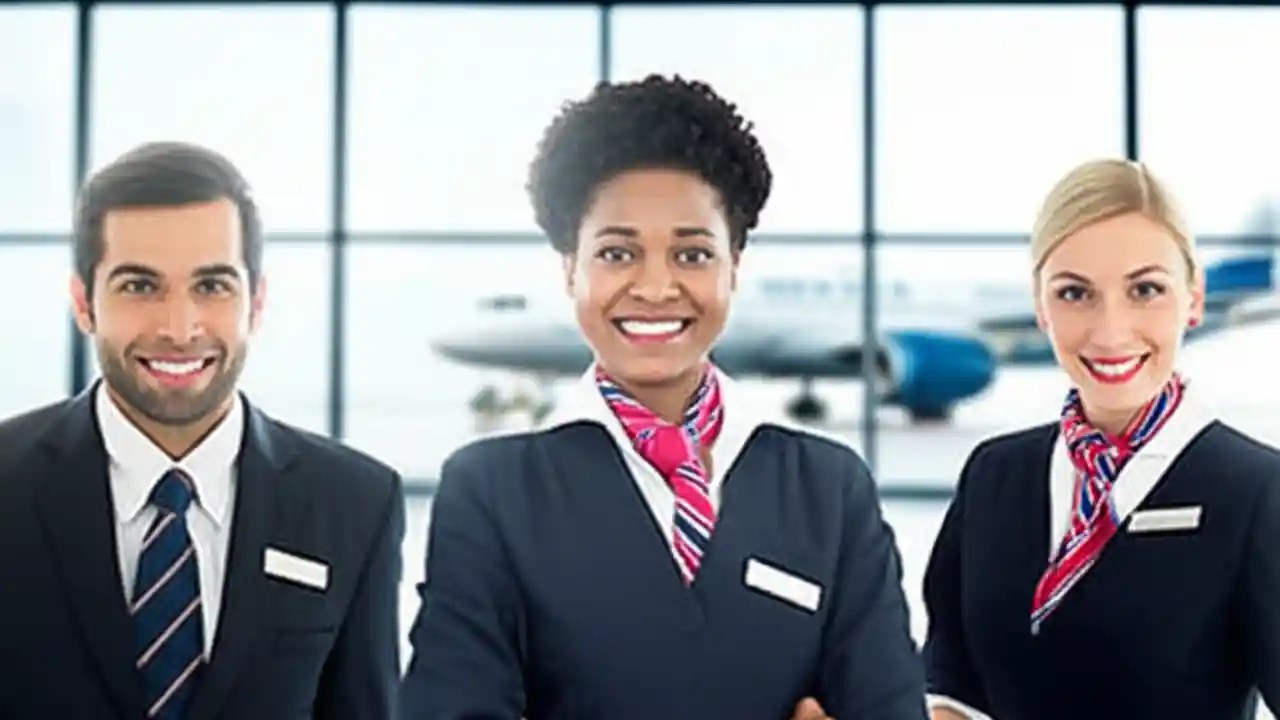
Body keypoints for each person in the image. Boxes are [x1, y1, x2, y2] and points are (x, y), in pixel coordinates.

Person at [397, 74, 928, 719]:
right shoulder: (493, 491)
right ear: (571, 270)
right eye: (618, 252)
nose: (655, 287)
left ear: (735, 266)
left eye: (693, 254)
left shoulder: (827, 488)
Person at [0, 142, 405, 719]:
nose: (179, 327)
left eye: (212, 286)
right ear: (83, 302)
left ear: (256, 303)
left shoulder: (354, 505)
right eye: (140, 286)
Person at [921, 158, 1280, 720]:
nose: (1111, 331)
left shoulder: (1257, 490)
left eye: (1145, 289)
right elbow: (952, 677)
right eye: (1074, 293)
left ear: (1195, 298)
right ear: (1040, 305)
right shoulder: (995, 474)